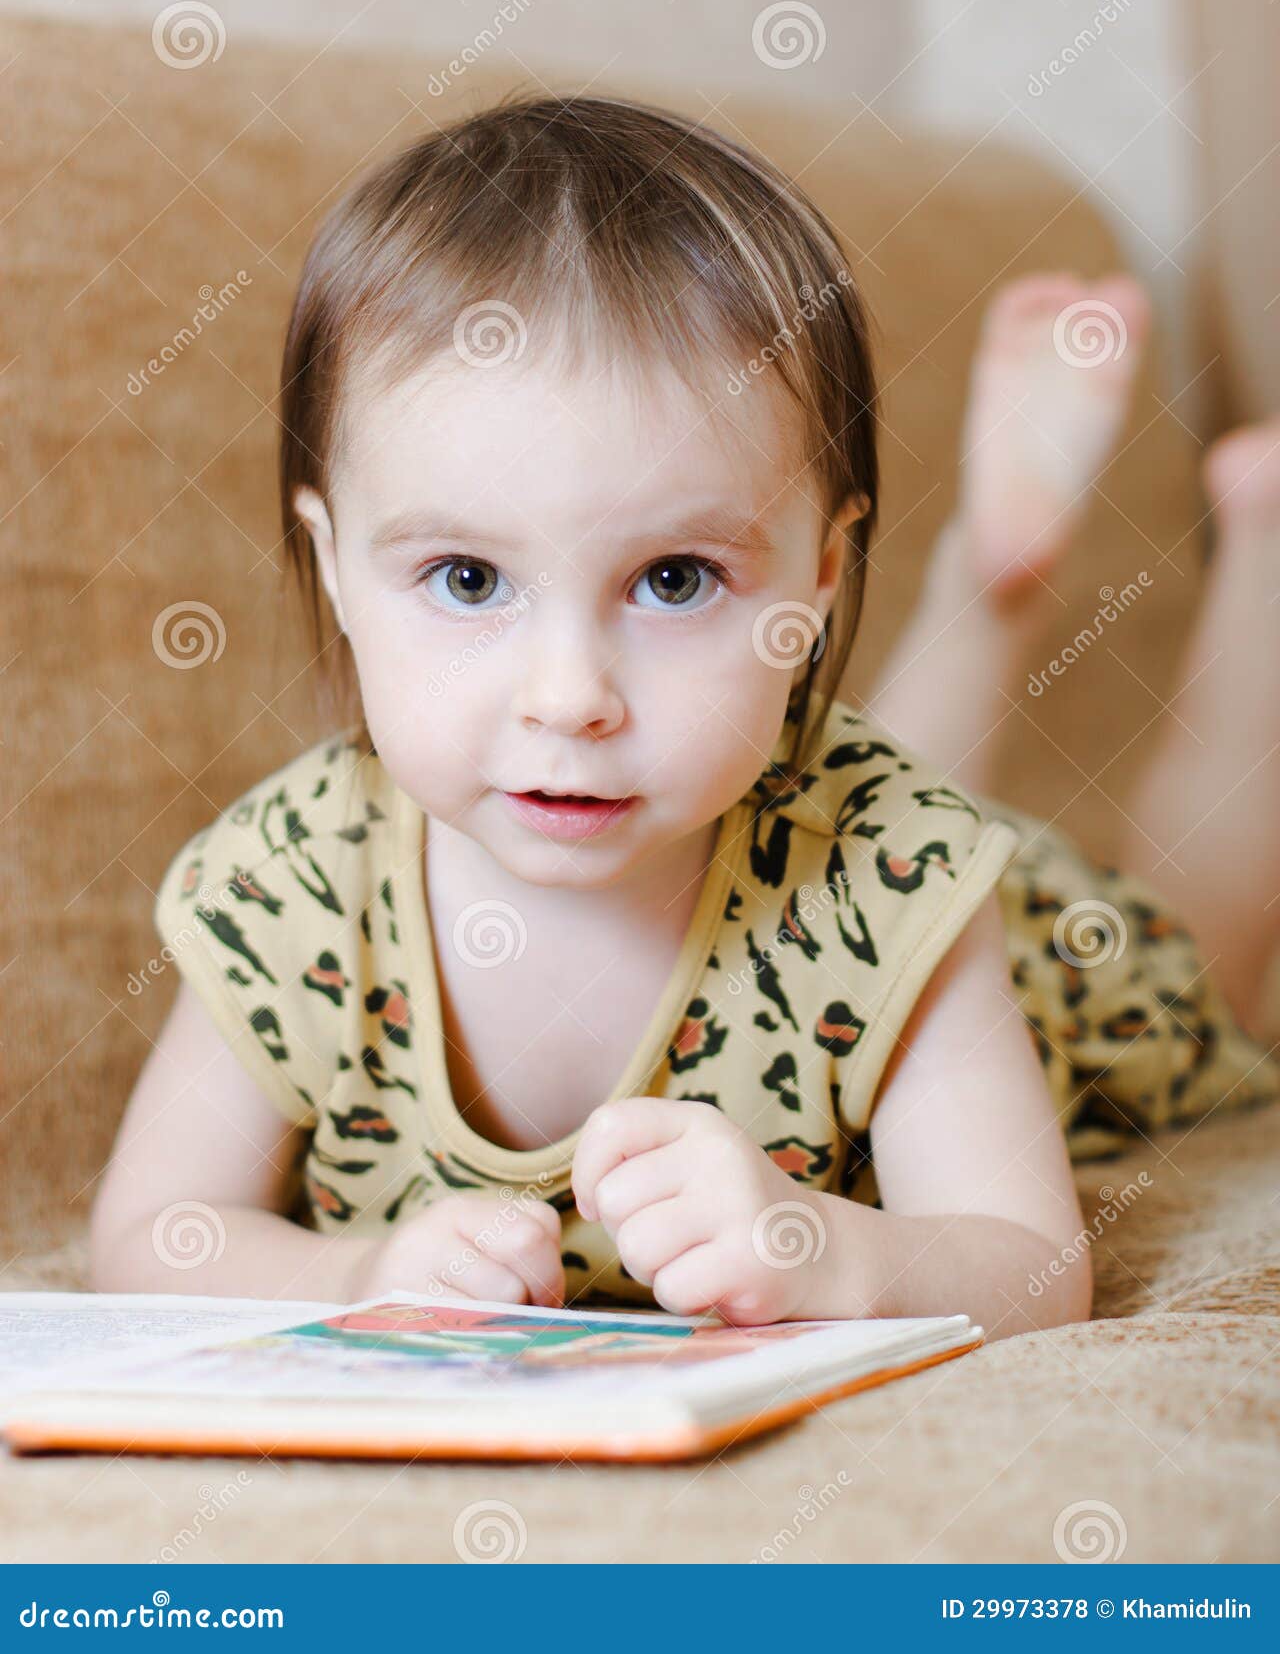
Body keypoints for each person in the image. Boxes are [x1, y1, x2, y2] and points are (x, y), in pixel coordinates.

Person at [89, 94, 1280, 1344]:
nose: (568, 698)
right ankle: (989, 580)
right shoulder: (296, 885)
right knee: (861, 786)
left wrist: (824, 1250)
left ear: (820, 575)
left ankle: (1253, 546)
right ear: (334, 566)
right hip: (830, 806)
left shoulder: (891, 876)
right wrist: (355, 1279)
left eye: (672, 579)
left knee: (1187, 959)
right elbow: (153, 1231)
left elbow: (1030, 1266)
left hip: (991, 933)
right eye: (467, 579)